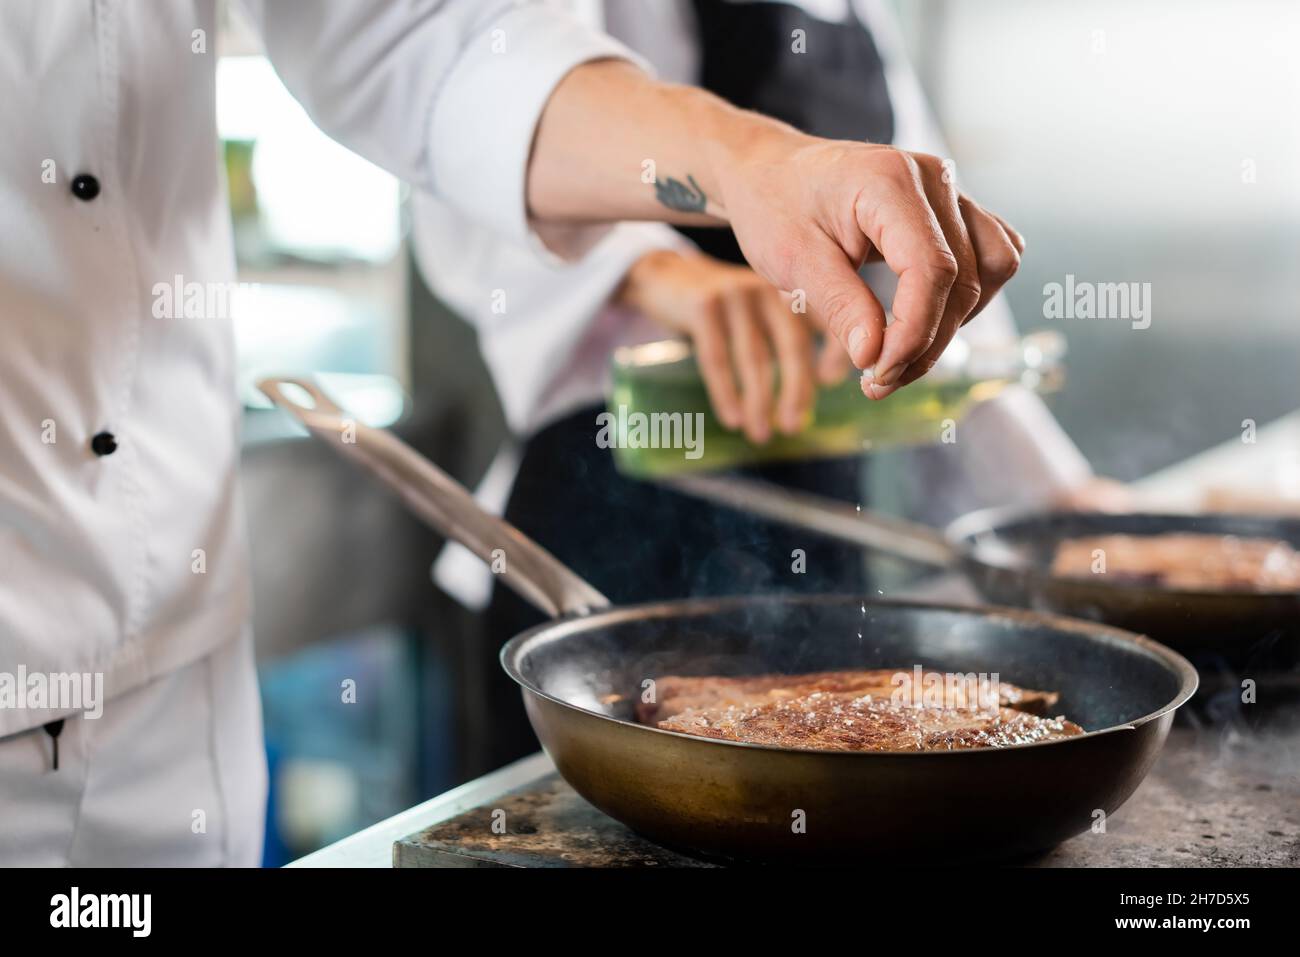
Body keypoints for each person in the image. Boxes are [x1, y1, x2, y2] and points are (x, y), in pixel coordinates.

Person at [0, 0, 1021, 865]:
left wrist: (754, 164)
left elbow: (428, 44)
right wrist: (652, 267)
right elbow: (460, 203)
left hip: (168, 676)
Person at [413, 0, 1120, 772]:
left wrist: (1054, 500)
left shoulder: (864, 22)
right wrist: (657, 273)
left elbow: (943, 296)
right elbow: (466, 126)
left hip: (819, 531)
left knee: (837, 780)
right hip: (610, 516)